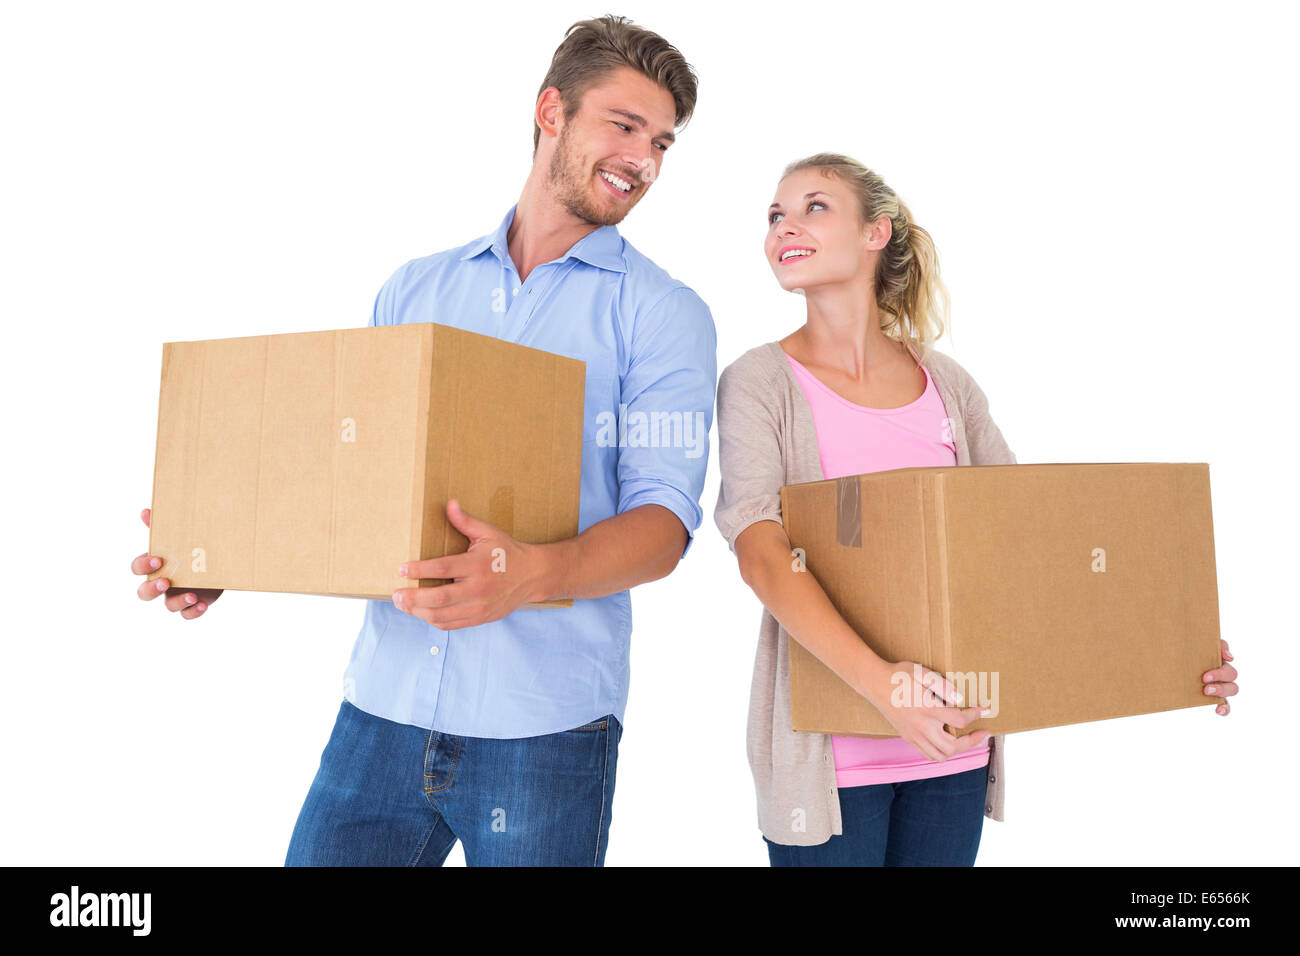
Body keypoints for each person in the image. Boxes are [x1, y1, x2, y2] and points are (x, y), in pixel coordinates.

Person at [131, 15, 717, 866]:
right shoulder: (416, 287)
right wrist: (227, 552)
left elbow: (664, 526)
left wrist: (527, 575)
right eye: (624, 126)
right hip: (383, 712)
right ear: (551, 111)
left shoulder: (663, 314)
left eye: (662, 142)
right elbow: (353, 478)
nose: (645, 159)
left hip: (544, 727)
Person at [712, 152, 1239, 866]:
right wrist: (886, 688)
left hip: (953, 747)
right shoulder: (760, 382)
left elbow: (1032, 544)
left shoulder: (946, 386)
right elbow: (761, 552)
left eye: (813, 207)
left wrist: (1171, 647)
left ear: (877, 232)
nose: (784, 226)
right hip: (830, 764)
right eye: (774, 214)